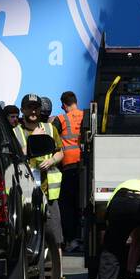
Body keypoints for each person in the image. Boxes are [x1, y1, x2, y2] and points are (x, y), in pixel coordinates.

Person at [14, 93, 70, 279]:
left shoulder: (50, 128)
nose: (33, 111)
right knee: (26, 237)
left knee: (55, 237)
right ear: (23, 110)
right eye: (29, 107)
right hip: (26, 195)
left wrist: (52, 161)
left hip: (49, 193)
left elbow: (60, 151)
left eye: (36, 107)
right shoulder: (16, 133)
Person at [52, 91, 86, 255]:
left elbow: (52, 138)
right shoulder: (85, 115)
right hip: (86, 166)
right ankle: (84, 237)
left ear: (64, 105)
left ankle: (72, 239)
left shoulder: (61, 119)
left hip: (69, 166)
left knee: (67, 205)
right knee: (84, 203)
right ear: (75, 101)